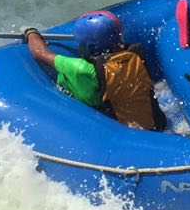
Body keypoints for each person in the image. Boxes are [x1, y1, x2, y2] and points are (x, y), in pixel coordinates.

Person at [24, 11, 167, 131]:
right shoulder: (134, 55)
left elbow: (40, 54)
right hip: (157, 126)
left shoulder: (82, 68)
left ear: (90, 47)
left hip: (124, 132)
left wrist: (31, 32)